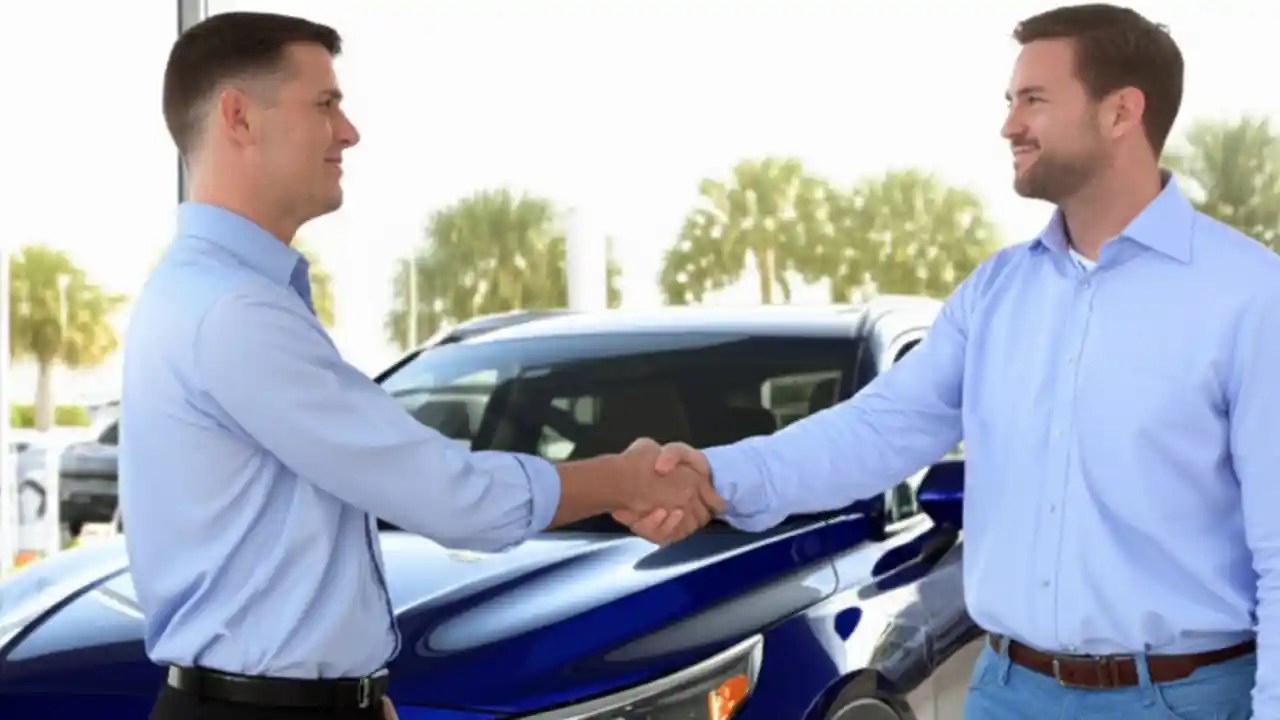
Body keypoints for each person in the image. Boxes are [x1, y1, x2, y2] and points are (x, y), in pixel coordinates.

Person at [618, 4, 1280, 719]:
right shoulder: (994, 294)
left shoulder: (1248, 297)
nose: (1009, 126)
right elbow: (873, 432)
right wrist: (716, 475)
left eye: (1034, 100)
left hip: (1184, 701)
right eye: (1009, 102)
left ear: (1120, 112)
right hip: (1005, 693)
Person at [120, 12, 718, 720]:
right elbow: (449, 495)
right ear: (238, 117)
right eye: (325, 104)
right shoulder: (234, 313)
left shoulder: (198, 291)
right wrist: (619, 477)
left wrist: (361, 695)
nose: (348, 131)